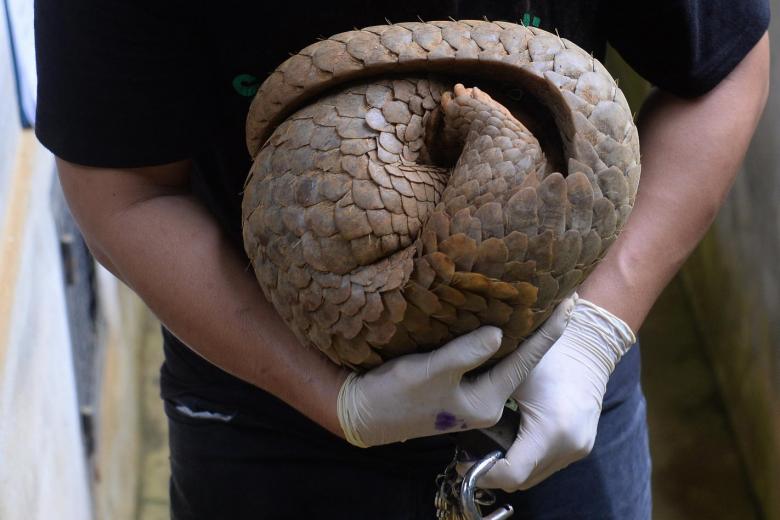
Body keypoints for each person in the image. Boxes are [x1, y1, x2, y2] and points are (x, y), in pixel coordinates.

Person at [34, 1, 770, 518]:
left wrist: (599, 330)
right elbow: (120, 188)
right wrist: (331, 398)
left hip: (556, 370)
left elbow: (722, 68)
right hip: (259, 396)